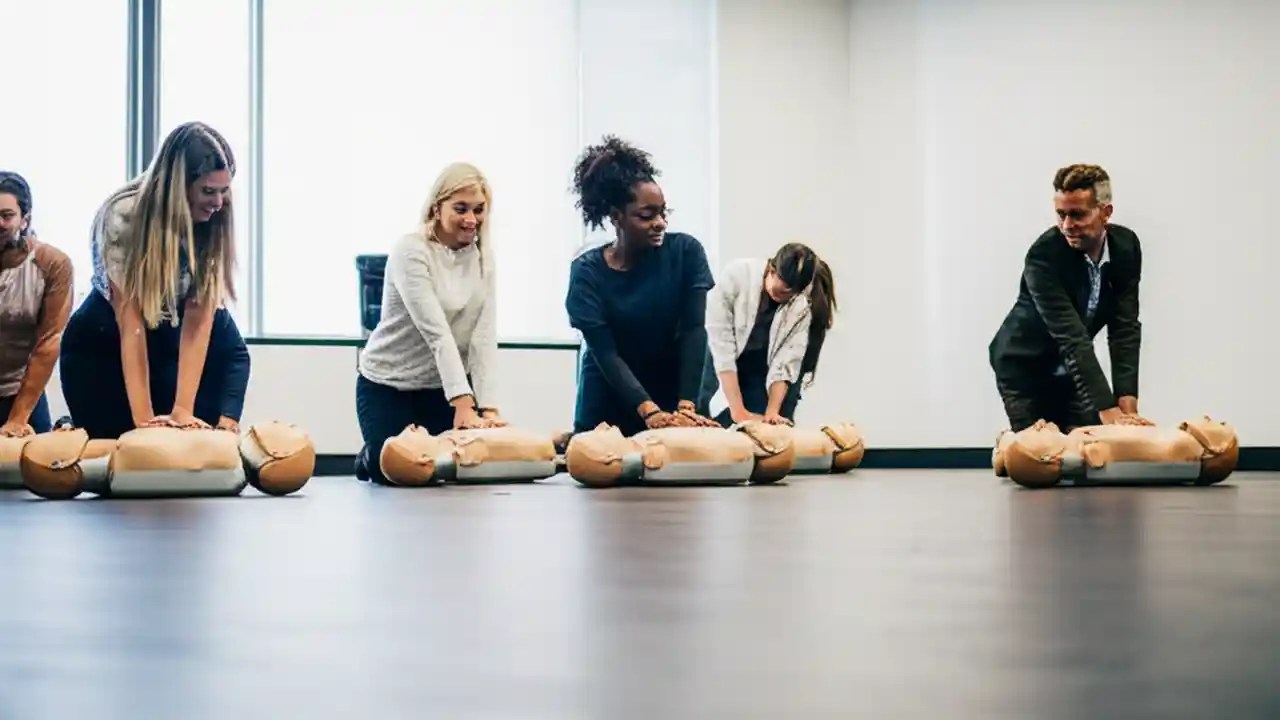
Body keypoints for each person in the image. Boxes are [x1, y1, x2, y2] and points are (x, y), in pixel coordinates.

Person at [58, 122, 251, 439]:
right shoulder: (123, 215)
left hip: (165, 335)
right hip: (103, 340)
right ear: (179, 186)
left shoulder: (216, 216)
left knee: (183, 440)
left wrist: (182, 411)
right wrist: (144, 422)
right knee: (130, 447)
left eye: (224, 190)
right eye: (208, 191)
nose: (217, 202)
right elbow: (130, 320)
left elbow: (199, 319)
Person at [354, 162, 505, 484]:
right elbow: (437, 333)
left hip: (440, 390)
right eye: (460, 208)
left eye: (479, 210)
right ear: (437, 207)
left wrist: (488, 408)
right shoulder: (411, 251)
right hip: (389, 385)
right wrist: (463, 404)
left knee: (451, 472)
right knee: (399, 471)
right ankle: (369, 456)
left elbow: (483, 336)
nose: (471, 219)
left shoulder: (484, 257)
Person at [565, 135, 720, 437]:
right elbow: (606, 353)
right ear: (616, 217)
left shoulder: (686, 253)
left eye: (663, 213)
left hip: (676, 389)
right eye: (646, 216)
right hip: (612, 393)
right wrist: (648, 410)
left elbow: (693, 330)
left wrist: (687, 406)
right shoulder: (587, 273)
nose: (660, 222)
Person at [989, 163, 1149, 432]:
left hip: (1071, 370)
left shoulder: (1126, 247)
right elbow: (1071, 336)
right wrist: (1107, 409)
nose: (1067, 225)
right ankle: (1006, 449)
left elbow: (1125, 328)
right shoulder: (1043, 256)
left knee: (1091, 451)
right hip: (1023, 365)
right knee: (1043, 460)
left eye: (1077, 215)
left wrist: (1126, 406)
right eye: (1060, 214)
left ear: (1106, 212)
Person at [700, 242, 836, 427]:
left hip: (762, 370)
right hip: (725, 366)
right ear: (771, 270)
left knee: (770, 427)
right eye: (778, 291)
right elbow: (722, 347)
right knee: (719, 424)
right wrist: (738, 410)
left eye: (788, 295)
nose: (781, 297)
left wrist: (772, 412)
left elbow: (786, 361)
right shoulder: (737, 276)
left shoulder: (801, 304)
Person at [0, 172, 73, 437]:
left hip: (22, 390)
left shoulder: (53, 264)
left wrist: (17, 420)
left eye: (6, 216)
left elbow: (49, 342)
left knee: (33, 475)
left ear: (24, 219)